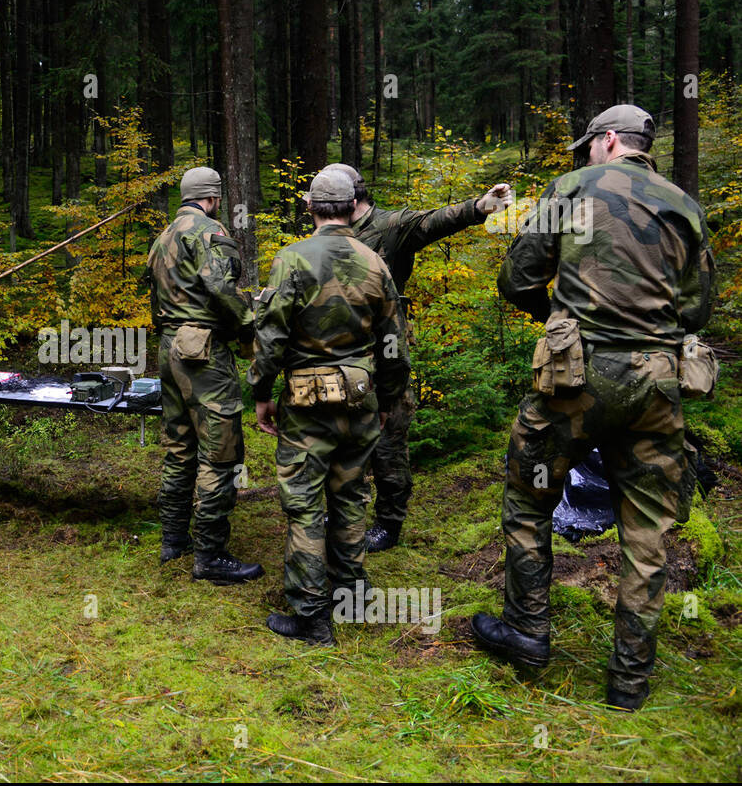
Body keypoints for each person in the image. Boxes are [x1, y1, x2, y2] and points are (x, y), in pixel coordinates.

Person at [471, 104, 715, 711]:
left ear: (609, 141)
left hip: (574, 379)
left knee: (528, 500)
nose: (586, 155)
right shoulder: (683, 203)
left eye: (590, 145)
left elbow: (517, 276)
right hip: (656, 382)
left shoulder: (571, 188)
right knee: (649, 531)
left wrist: (558, 317)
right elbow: (698, 310)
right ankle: (629, 681)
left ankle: (528, 633)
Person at [251, 168, 409, 643]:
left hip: (307, 401)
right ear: (353, 203)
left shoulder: (292, 260)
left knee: (303, 503)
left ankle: (311, 616)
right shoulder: (375, 262)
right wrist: (389, 399)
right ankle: (352, 596)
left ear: (310, 206)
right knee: (351, 494)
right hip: (361, 398)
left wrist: (260, 393)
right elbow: (393, 343)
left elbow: (270, 336)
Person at [324, 162, 512, 553]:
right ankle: (340, 511)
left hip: (384, 354)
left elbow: (436, 221)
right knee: (337, 436)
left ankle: (388, 523)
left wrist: (480, 207)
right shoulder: (327, 231)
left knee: (389, 438)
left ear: (351, 195)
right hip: (338, 354)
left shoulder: (390, 226)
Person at [146, 166, 264, 585]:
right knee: (221, 450)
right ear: (213, 197)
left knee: (179, 446)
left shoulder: (162, 237)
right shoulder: (210, 230)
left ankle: (174, 539)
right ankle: (211, 554)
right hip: (203, 351)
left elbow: (155, 294)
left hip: (168, 347)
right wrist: (249, 322)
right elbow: (219, 286)